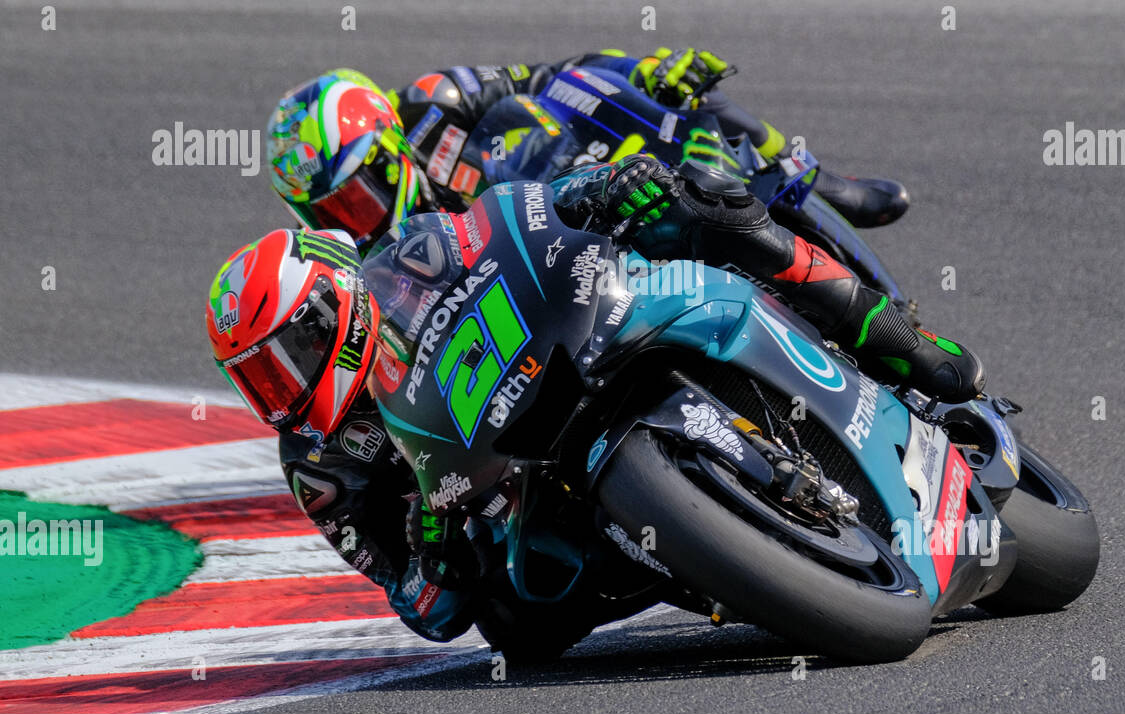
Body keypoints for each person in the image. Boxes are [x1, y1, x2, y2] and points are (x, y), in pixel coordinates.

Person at [206, 152, 984, 654]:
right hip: (526, 536)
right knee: (519, 627)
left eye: (286, 357)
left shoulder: (407, 261)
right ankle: (738, 557)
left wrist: (598, 190)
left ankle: (906, 345)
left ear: (330, 309)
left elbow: (507, 220)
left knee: (706, 201)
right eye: (256, 378)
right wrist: (430, 549)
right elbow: (424, 611)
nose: (280, 386)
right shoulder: (318, 464)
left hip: (569, 358)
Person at [263, 49, 910, 252]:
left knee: (675, 91)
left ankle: (807, 178)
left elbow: (556, 73)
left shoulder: (435, 104)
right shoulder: (365, 263)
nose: (359, 216)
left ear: (387, 146)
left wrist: (643, 71)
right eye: (333, 213)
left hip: (578, 187)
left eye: (358, 191)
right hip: (533, 286)